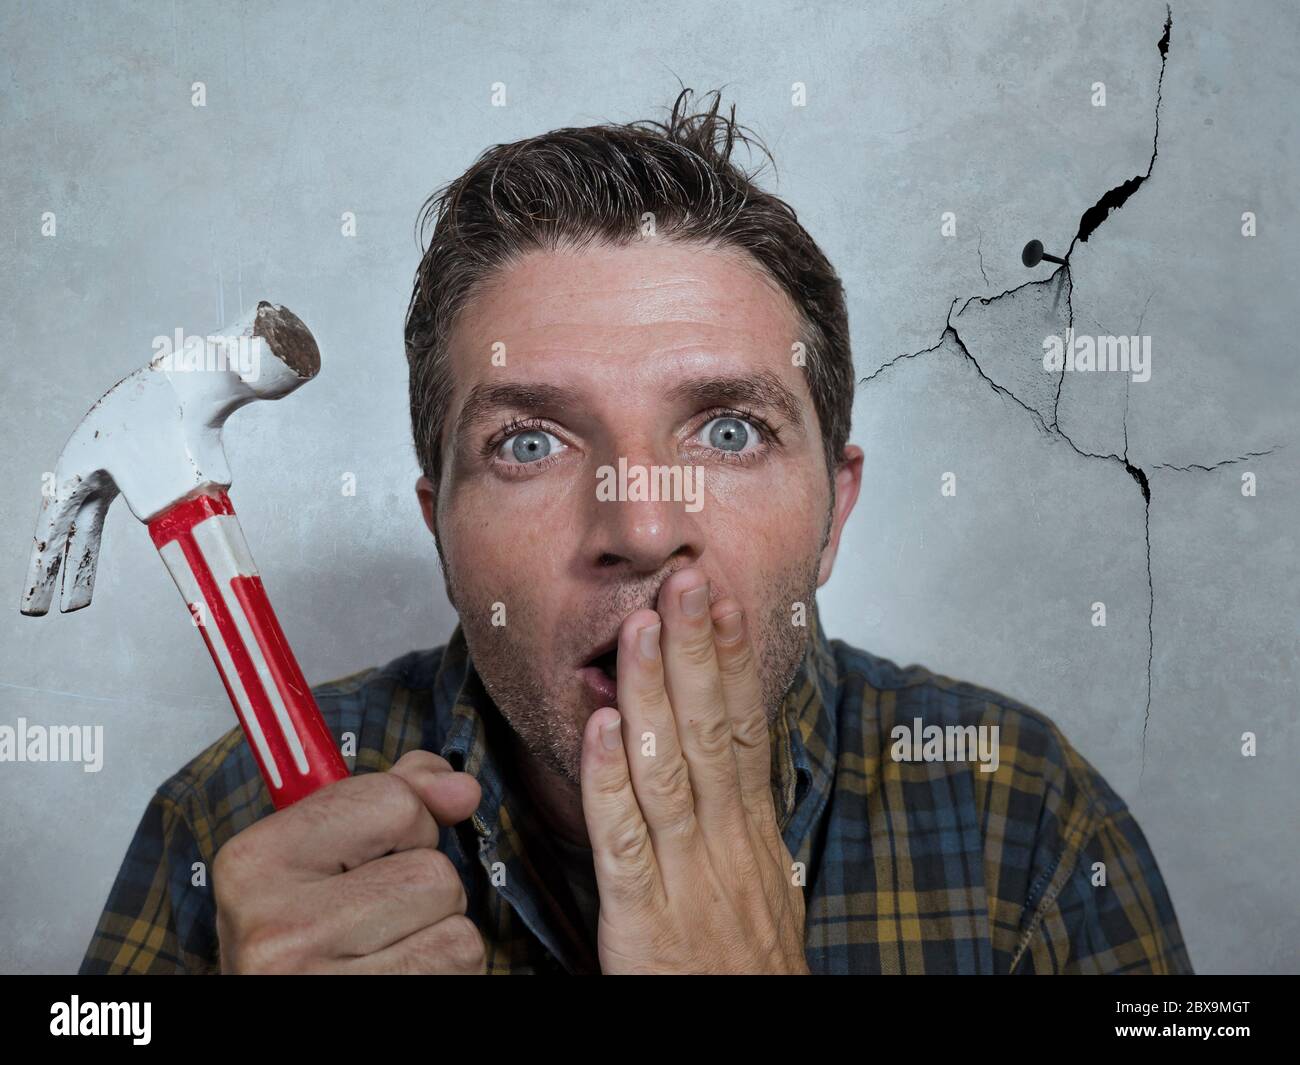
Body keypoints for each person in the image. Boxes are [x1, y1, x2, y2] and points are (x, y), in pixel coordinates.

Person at [80, 90, 1191, 975]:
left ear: (833, 515)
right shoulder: (221, 829)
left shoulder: (1028, 823)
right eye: (528, 445)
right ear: (440, 532)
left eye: (727, 430)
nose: (642, 524)